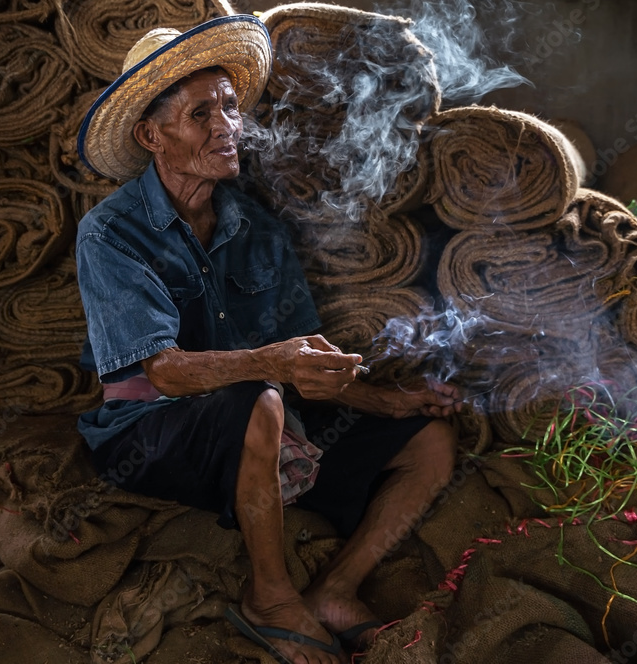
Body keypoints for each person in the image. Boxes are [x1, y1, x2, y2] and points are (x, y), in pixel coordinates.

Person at [75, 10, 461, 664]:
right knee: (262, 397)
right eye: (201, 114)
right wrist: (273, 366)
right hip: (151, 434)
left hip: (265, 420)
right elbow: (164, 373)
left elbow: (301, 359)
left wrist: (387, 401)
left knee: (430, 443)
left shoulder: (255, 226)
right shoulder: (111, 234)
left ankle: (336, 591)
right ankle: (272, 598)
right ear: (151, 134)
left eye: (230, 107)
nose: (228, 126)